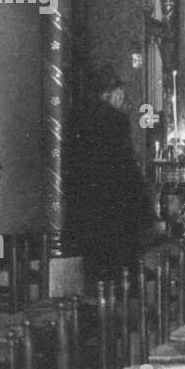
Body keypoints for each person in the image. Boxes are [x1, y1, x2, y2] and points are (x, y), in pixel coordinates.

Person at [67, 63, 155, 285]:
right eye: (119, 91)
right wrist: (143, 204)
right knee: (119, 259)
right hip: (114, 201)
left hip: (86, 200)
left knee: (96, 262)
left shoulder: (77, 118)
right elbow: (124, 165)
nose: (122, 96)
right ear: (109, 93)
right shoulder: (116, 120)